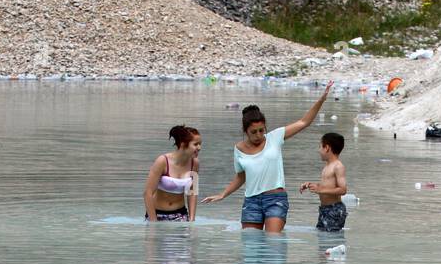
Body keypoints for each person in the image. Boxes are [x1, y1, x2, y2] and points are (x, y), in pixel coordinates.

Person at [201, 81, 334, 233]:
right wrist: (222, 194)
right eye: (254, 132)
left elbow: (304, 122)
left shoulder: (275, 137)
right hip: (251, 202)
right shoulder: (238, 149)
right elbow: (241, 176)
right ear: (245, 131)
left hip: (275, 200)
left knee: (273, 241)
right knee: (251, 244)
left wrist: (321, 99)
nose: (259, 135)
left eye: (261, 130)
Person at [144, 125, 200, 222]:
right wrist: (153, 223)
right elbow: (147, 193)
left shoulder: (195, 163)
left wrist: (191, 220)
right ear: (183, 144)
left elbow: (192, 192)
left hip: (181, 215)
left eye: (200, 144)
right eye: (195, 144)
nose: (199, 148)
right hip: (157, 215)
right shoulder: (162, 161)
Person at [300, 132, 348, 233]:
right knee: (322, 239)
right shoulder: (327, 166)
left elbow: (343, 190)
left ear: (327, 148)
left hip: (334, 209)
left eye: (320, 147)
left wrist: (320, 190)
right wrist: (310, 185)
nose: (319, 151)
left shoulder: (338, 166)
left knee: (330, 240)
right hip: (324, 209)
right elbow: (325, 186)